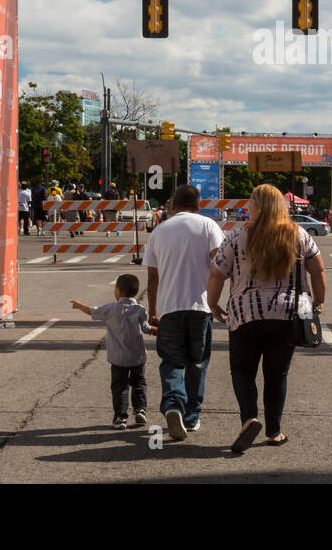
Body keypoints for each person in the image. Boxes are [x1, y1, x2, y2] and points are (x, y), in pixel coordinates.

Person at [208, 184, 326, 453]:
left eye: (250, 201)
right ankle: (274, 432)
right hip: (287, 316)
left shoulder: (236, 237)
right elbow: (317, 270)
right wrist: (318, 301)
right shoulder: (300, 235)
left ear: (259, 207)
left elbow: (217, 274)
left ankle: (249, 419)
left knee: (242, 370)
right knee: (276, 374)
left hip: (244, 314)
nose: (247, 206)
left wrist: (212, 304)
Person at [142, 184, 226, 441]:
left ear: (173, 205)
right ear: (198, 205)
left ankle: (172, 405)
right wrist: (214, 302)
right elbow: (220, 265)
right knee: (197, 363)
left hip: (169, 309)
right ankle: (191, 417)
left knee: (171, 362)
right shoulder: (208, 226)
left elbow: (152, 278)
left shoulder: (159, 231)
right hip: (200, 307)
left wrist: (153, 310)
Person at [71, 273, 156, 429]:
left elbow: (92, 311)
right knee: (139, 383)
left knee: (120, 386)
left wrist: (78, 304)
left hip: (118, 358)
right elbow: (146, 328)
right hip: (137, 356)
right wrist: (160, 330)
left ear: (118, 290)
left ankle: (120, 417)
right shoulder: (139, 309)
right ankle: (140, 411)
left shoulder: (110, 308)